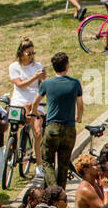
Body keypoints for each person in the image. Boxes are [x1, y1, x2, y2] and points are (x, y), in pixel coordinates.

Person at [35, 51, 83, 188]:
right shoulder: (75, 84)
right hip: (69, 128)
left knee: (46, 161)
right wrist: (78, 118)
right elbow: (80, 105)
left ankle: (53, 190)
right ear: (67, 66)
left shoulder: (47, 84)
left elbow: (35, 102)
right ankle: (61, 194)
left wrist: (34, 113)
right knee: (63, 163)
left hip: (52, 127)